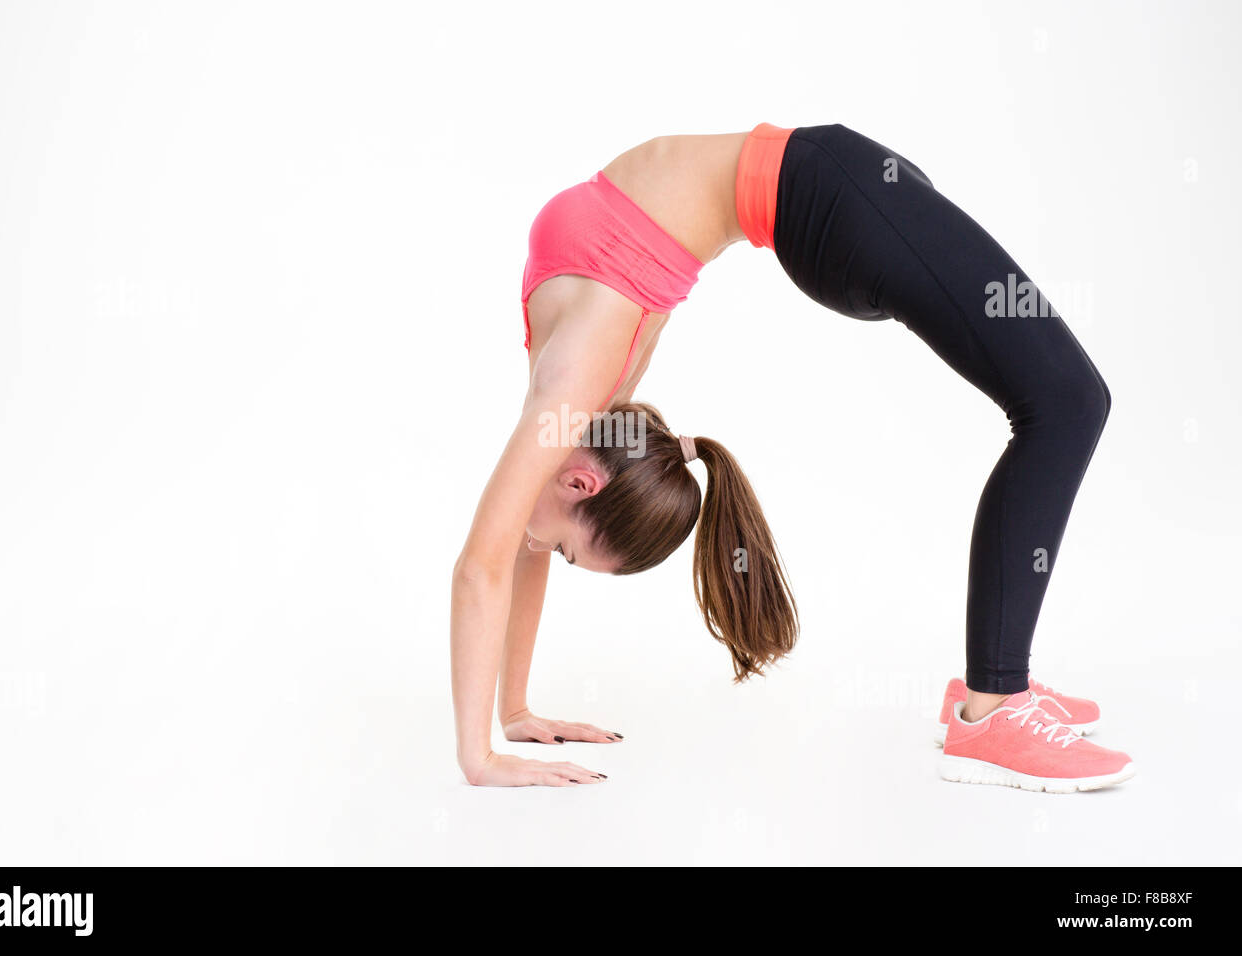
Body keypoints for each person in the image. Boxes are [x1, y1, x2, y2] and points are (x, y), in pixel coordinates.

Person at [450, 122, 1134, 793]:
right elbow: (524, 540)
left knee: (1067, 405)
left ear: (580, 480)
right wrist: (510, 713)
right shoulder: (586, 406)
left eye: (570, 552)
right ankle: (996, 694)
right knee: (1068, 401)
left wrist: (481, 754)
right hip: (829, 189)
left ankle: (993, 705)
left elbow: (485, 564)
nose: (544, 546)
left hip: (833, 199)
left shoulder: (571, 388)